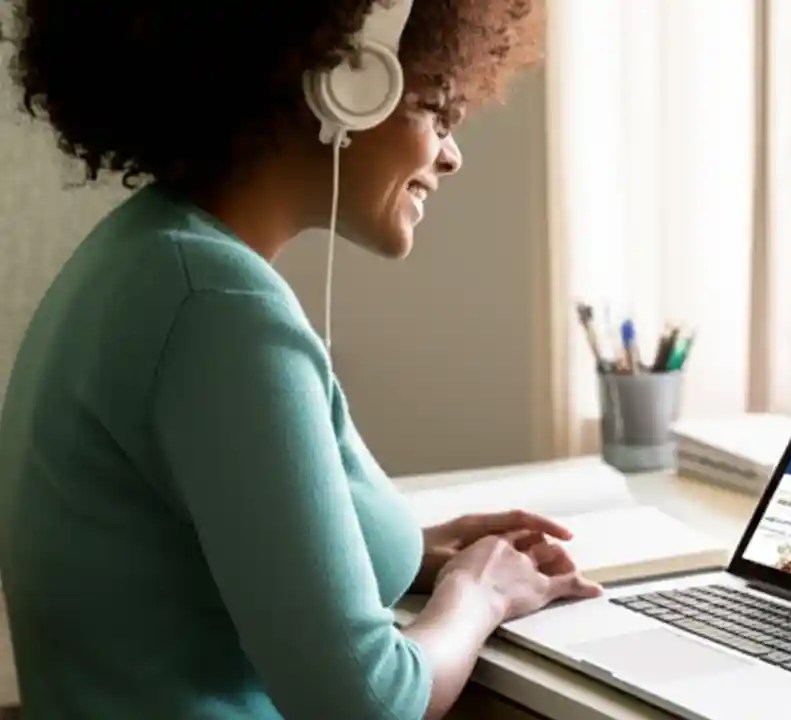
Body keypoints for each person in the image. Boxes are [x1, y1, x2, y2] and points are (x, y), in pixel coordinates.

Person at [0, 1, 601, 718]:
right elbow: (368, 702)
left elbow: (194, 549)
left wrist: (408, 551)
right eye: (436, 111)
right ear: (347, 84)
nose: (450, 154)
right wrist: (479, 594)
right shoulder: (218, 309)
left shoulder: (146, 254)